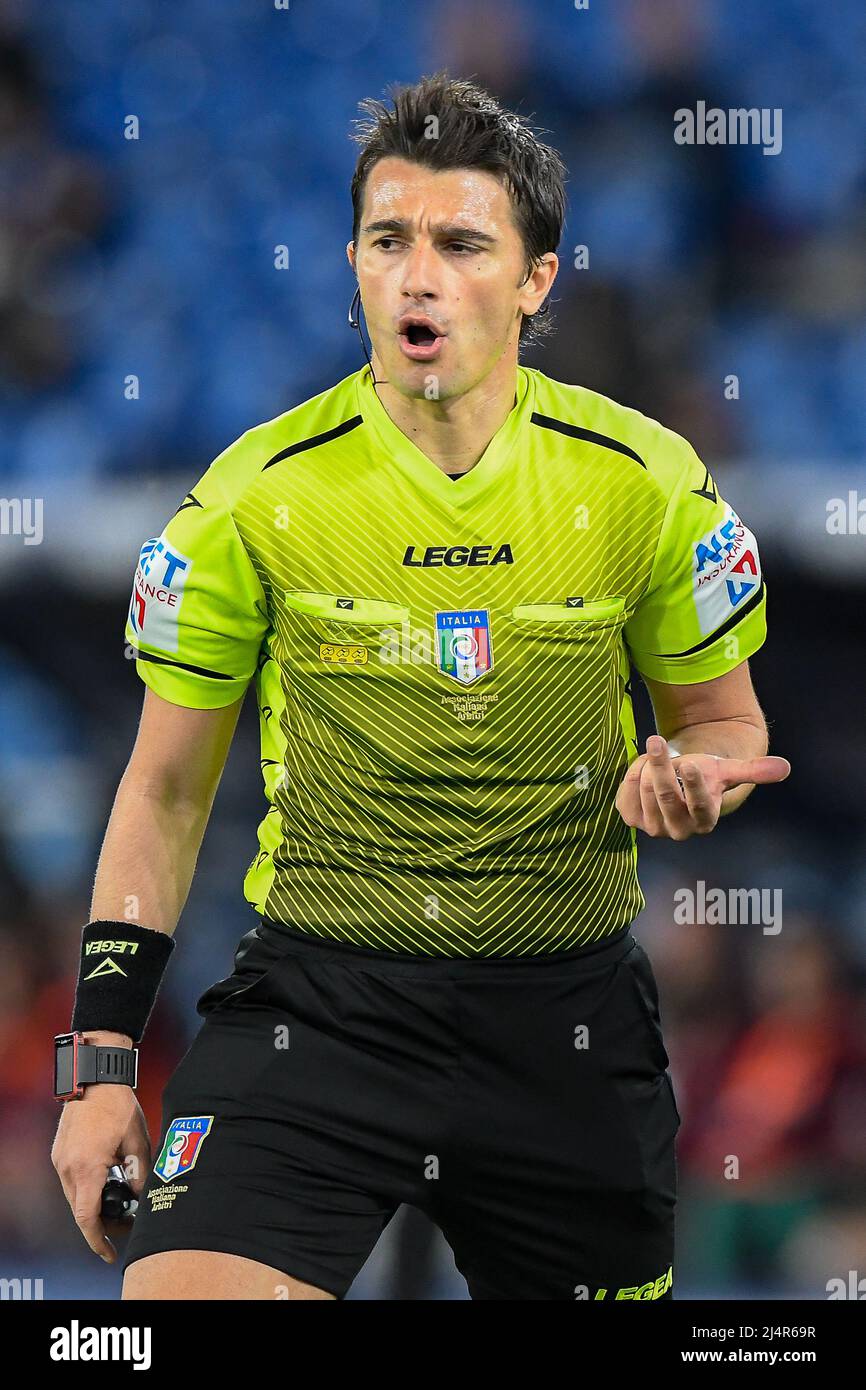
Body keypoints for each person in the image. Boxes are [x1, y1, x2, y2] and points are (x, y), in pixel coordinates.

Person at [51, 72, 789, 1301]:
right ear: (352, 261)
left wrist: (695, 779)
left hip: (564, 1022)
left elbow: (722, 720)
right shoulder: (251, 499)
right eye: (389, 239)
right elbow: (165, 792)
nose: (418, 275)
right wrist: (101, 1065)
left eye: (460, 242)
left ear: (535, 278)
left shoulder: (644, 483)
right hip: (318, 1010)